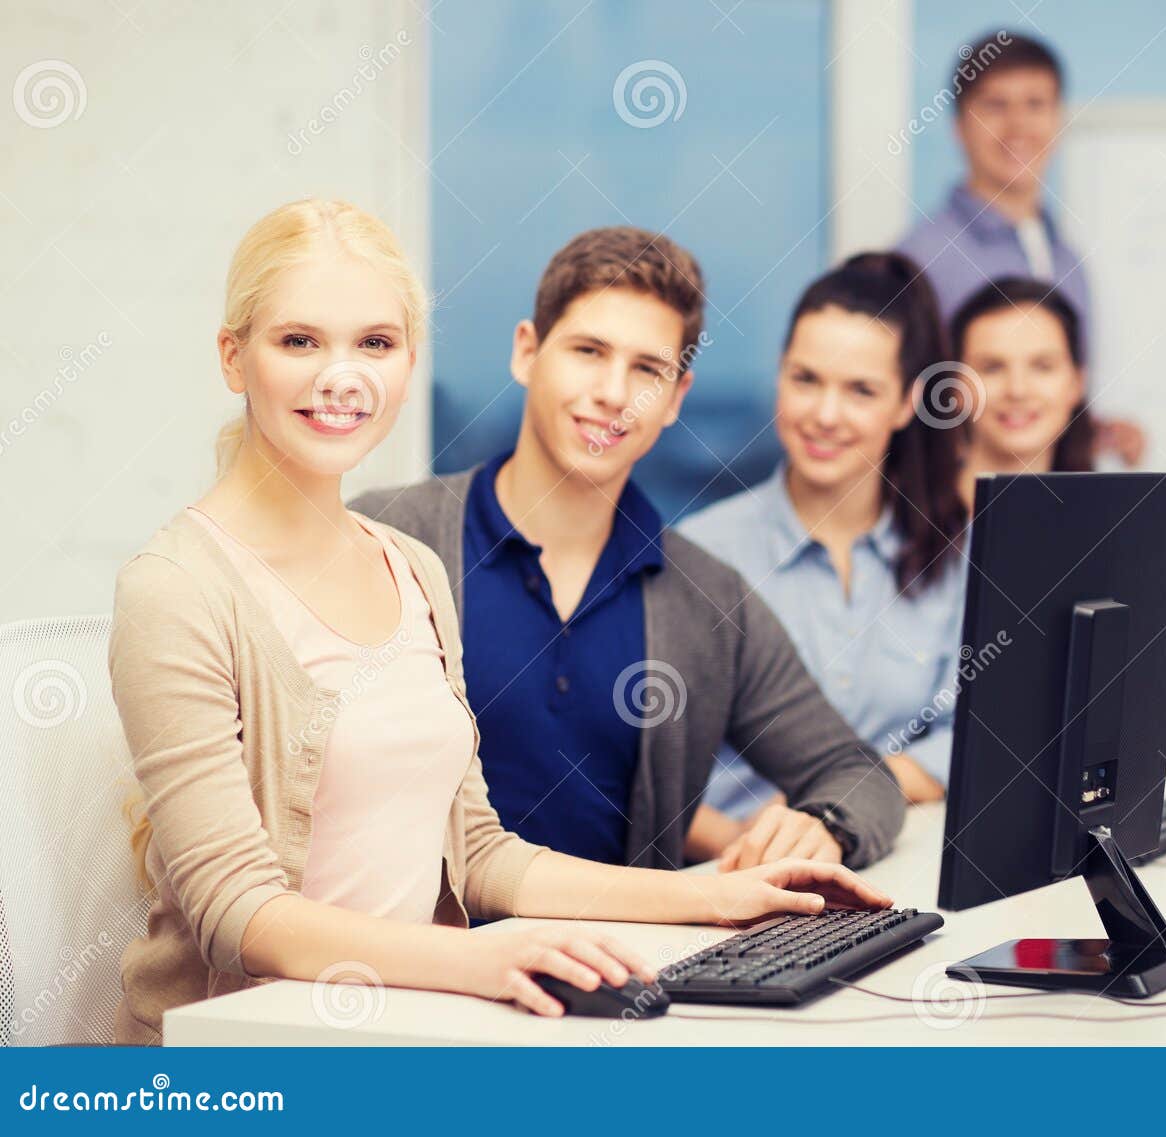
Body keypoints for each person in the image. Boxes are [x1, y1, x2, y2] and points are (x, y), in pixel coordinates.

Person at [110, 200, 891, 1044]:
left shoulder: (406, 565)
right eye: (300, 340)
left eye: (375, 343)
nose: (341, 376)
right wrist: (488, 958)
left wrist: (718, 894)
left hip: (451, 1017)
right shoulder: (187, 582)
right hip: (259, 1045)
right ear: (234, 356)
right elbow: (236, 910)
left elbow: (477, 850)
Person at [351, 227, 906, 872]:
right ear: (527, 352)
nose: (615, 393)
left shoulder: (707, 599)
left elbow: (857, 775)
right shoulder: (389, 535)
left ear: (675, 399)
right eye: (589, 351)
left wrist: (824, 827)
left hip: (624, 964)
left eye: (648, 369)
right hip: (415, 966)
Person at [679, 254, 969, 859]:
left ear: (905, 403)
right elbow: (638, 782)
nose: (825, 414)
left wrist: (843, 809)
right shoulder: (700, 555)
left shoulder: (953, 553)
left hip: (903, 863)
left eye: (861, 390)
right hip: (735, 879)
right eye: (806, 379)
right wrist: (760, 847)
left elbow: (977, 736)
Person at [951, 276, 1166, 759]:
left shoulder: (1099, 536)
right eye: (991, 367)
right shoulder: (909, 527)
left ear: (1076, 382)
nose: (1017, 389)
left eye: (1042, 366)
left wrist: (1097, 750)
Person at [897, 28, 1144, 468]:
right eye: (995, 105)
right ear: (959, 126)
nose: (1019, 126)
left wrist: (1092, 429)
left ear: (1059, 119)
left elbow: (1051, 404)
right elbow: (909, 423)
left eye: (1036, 104)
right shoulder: (920, 262)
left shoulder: (1068, 259)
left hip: (1053, 509)